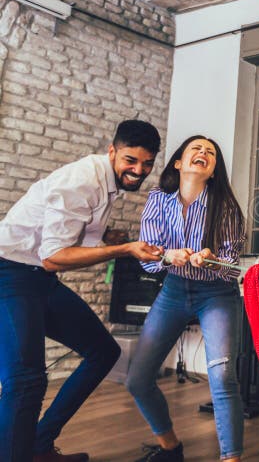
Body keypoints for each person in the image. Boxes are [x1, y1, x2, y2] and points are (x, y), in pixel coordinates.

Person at [0, 120, 163, 462]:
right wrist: (124, 249)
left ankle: (39, 445)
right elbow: (53, 257)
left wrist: (108, 238)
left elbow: (73, 237)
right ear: (112, 151)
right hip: (9, 273)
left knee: (103, 351)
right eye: (131, 160)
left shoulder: (108, 183)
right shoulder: (82, 181)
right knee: (26, 380)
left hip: (38, 278)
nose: (139, 170)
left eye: (147, 163)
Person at [127, 135, 246, 462]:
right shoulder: (158, 199)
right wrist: (169, 256)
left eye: (210, 152)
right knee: (137, 380)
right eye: (196, 148)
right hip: (174, 290)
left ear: (213, 170)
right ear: (179, 163)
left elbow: (231, 267)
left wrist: (212, 260)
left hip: (217, 294)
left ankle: (231, 458)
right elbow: (148, 255)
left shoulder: (226, 207)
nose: (203, 152)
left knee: (222, 377)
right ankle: (170, 448)